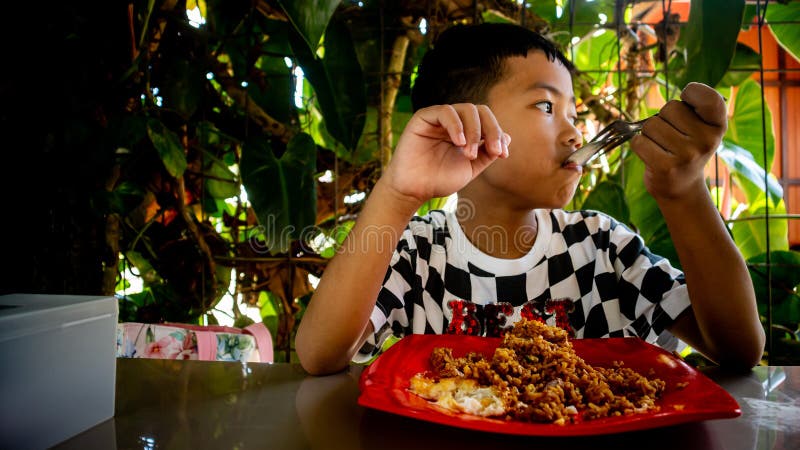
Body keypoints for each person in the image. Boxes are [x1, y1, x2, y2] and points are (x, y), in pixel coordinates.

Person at [295, 22, 765, 375]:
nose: (574, 132)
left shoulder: (602, 248)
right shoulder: (419, 253)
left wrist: (683, 192)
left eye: (572, 112)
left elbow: (738, 349)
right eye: (545, 106)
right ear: (463, 125)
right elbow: (319, 355)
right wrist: (398, 194)